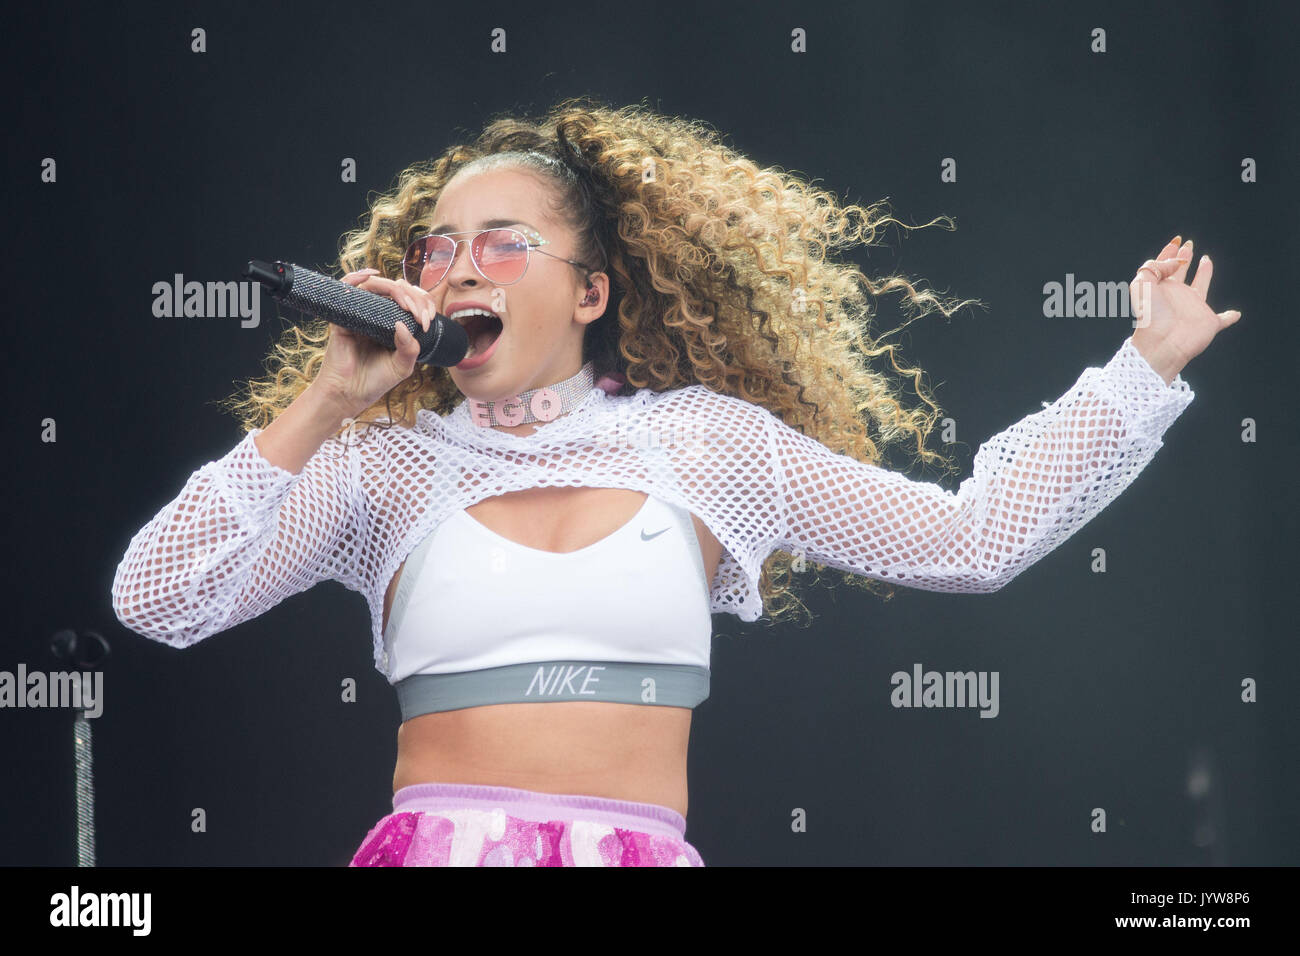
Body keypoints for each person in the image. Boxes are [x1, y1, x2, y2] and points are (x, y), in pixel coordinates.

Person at [111, 97, 1240, 867]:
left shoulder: (706, 447)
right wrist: (323, 406)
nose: (456, 266)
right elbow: (155, 599)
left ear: (592, 292)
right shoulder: (380, 465)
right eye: (437, 248)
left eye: (501, 243)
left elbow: (971, 538)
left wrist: (1141, 367)